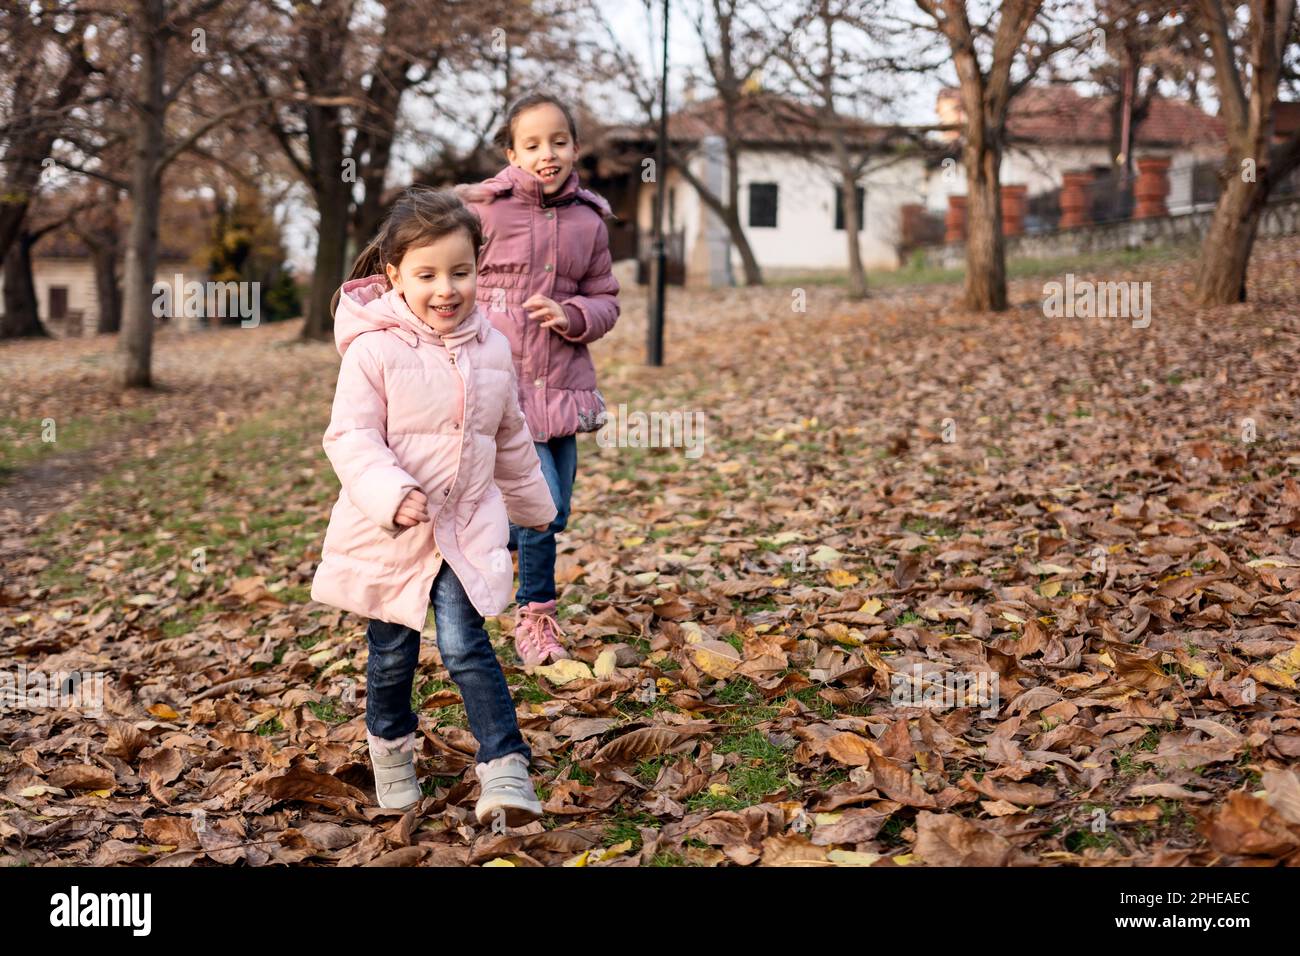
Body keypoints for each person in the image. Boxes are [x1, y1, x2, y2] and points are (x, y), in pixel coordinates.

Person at [310, 186, 555, 824]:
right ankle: (391, 751)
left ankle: (504, 768)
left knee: (466, 644)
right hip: (390, 533)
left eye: (461, 272)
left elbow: (509, 437)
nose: (445, 288)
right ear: (394, 277)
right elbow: (351, 436)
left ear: (480, 270)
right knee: (391, 651)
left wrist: (536, 507)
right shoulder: (373, 350)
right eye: (426, 275)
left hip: (465, 527)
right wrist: (393, 494)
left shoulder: (493, 349)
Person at [455, 91, 621, 668]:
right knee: (542, 511)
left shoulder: (588, 221)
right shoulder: (485, 212)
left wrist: (572, 315)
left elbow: (606, 299)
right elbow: (450, 276)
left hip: (562, 387)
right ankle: (536, 618)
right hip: (502, 389)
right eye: (532, 144)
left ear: (575, 148)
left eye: (558, 141)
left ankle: (481, 546)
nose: (546, 153)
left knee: (554, 513)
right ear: (511, 152)